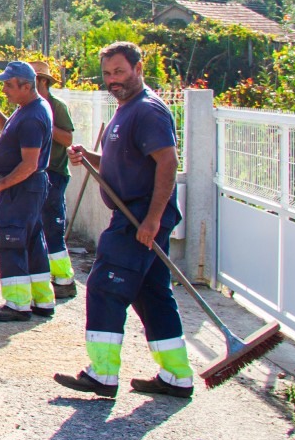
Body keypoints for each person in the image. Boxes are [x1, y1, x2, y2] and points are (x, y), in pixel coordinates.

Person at [56, 41, 195, 400]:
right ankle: (177, 376)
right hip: (135, 216)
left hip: (138, 218)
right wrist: (89, 156)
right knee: (152, 295)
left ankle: (102, 374)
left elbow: (167, 163)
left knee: (105, 286)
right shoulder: (126, 109)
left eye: (119, 71)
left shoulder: (147, 110)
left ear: (138, 68)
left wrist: (152, 220)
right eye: (107, 74)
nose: (112, 79)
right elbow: (123, 163)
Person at [0, 61, 56, 321]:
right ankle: (42, 300)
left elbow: (29, 164)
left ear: (26, 86)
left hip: (22, 188)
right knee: (32, 242)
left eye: (9, 85)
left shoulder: (32, 116)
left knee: (11, 240)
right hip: (27, 189)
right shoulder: (28, 109)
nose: (5, 90)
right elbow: (12, 136)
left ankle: (17, 304)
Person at [32, 61, 78, 300]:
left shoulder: (56, 106)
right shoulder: (28, 107)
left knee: (52, 228)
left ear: (43, 81)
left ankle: (64, 280)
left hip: (54, 174)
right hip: (34, 175)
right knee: (35, 228)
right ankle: (44, 279)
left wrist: (45, 123)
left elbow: (68, 139)